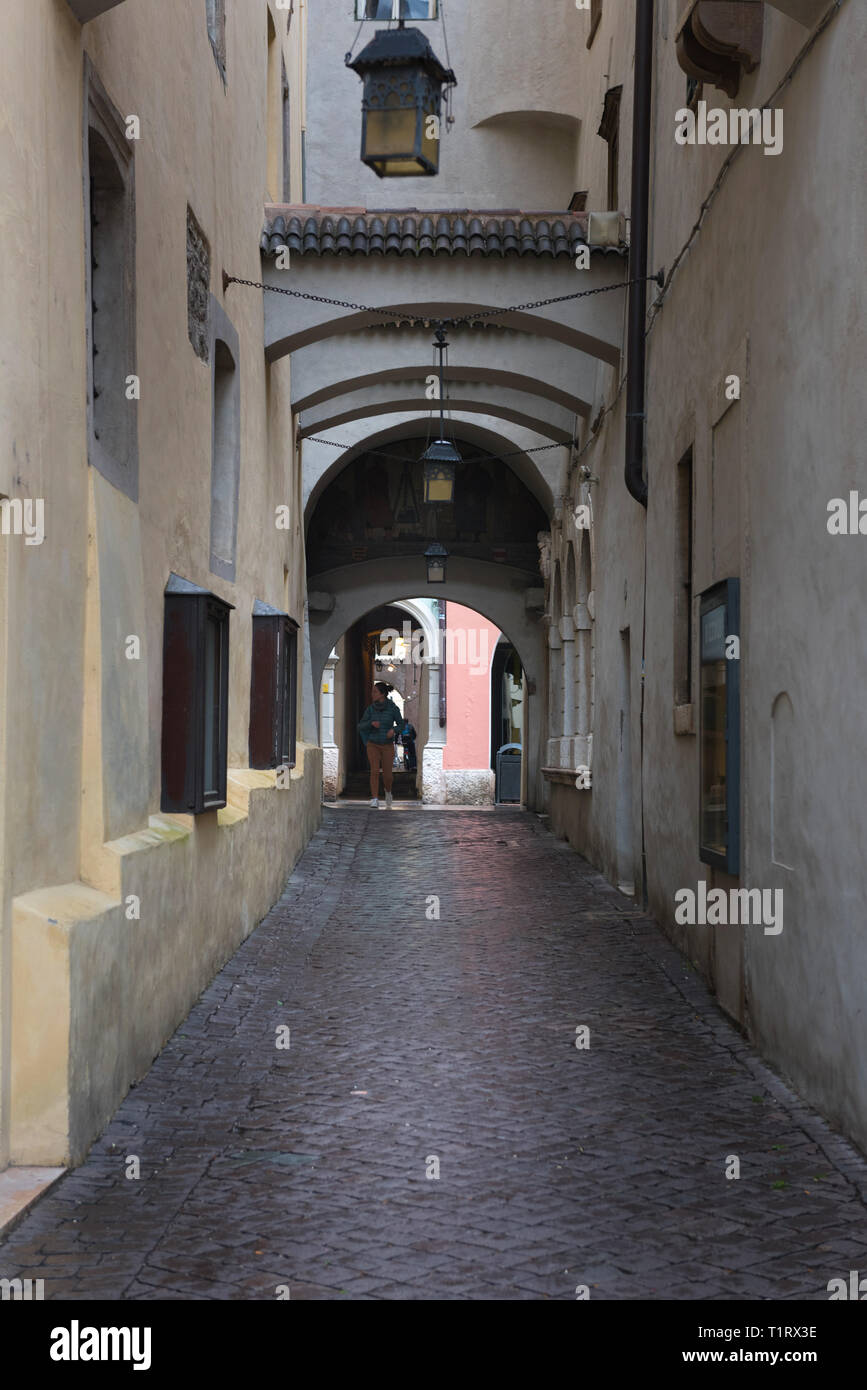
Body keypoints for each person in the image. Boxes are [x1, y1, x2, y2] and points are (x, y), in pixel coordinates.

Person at [358, 682, 403, 807]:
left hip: (387, 745)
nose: (372, 694)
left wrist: (393, 730)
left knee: (388, 775)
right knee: (374, 771)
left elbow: (401, 725)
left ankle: (388, 791)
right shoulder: (370, 709)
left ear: (382, 694)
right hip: (373, 744)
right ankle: (375, 798)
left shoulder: (393, 709)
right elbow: (360, 726)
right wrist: (371, 724)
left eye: (374, 692)